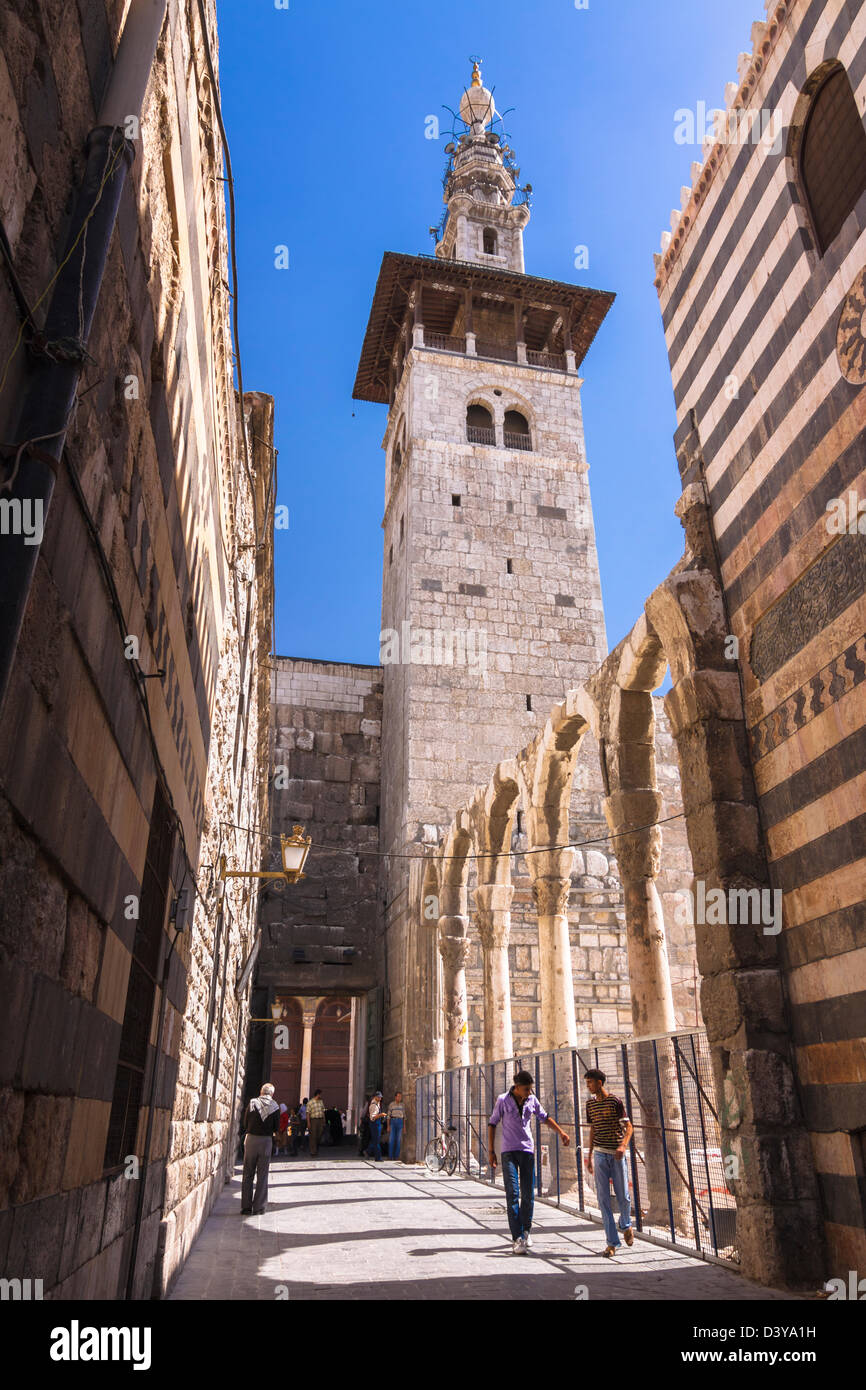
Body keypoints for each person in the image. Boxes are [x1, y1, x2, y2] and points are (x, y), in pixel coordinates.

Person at [488, 1069, 570, 1254]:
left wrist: (561, 1132)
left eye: (530, 1089)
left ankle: (526, 1230)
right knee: (512, 1193)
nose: (529, 1092)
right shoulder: (502, 1100)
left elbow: (545, 1117)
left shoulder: (532, 1100)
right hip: (508, 1152)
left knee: (528, 1194)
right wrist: (491, 1151)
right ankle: (516, 1237)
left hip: (527, 1151)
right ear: (516, 1087)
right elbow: (492, 1123)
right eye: (526, 1089)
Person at [584, 1067, 635, 1257]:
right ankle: (612, 1243)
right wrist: (589, 1155)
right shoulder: (590, 1105)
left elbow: (629, 1126)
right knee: (603, 1200)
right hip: (599, 1155)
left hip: (616, 1155)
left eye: (590, 1082)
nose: (588, 1085)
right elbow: (593, 1129)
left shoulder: (615, 1101)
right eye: (587, 1082)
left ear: (599, 1082)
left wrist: (623, 1146)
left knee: (623, 1197)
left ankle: (626, 1224)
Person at [241, 1082, 281, 1215]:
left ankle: (246, 1207)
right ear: (272, 1094)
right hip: (266, 1141)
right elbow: (276, 1127)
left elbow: (245, 1122)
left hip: (251, 1139)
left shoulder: (252, 1103)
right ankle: (259, 1207)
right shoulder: (275, 1106)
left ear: (261, 1092)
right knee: (262, 1175)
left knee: (247, 1173)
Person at [366, 1091, 385, 1160]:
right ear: (375, 1097)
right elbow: (372, 1117)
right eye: (378, 1097)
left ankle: (368, 1151)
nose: (380, 1098)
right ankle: (378, 1157)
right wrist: (381, 1115)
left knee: (375, 1139)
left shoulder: (377, 1103)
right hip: (375, 1124)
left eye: (380, 1097)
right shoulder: (374, 1105)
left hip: (377, 1123)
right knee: (376, 1141)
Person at [307, 1089, 326, 1156]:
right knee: (313, 1135)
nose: (321, 1096)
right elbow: (308, 1113)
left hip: (320, 1120)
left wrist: (324, 1120)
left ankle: (316, 1148)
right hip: (313, 1120)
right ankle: (313, 1151)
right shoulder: (310, 1102)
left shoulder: (321, 1102)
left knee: (319, 1135)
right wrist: (308, 1122)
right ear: (317, 1094)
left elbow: (323, 1111)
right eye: (320, 1094)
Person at [386, 1091, 404, 1160]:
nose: (399, 1098)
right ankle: (390, 1156)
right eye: (398, 1096)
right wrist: (388, 1126)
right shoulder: (391, 1105)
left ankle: (396, 1156)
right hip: (393, 1121)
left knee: (398, 1140)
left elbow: (404, 1116)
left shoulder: (402, 1105)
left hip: (400, 1122)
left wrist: (404, 1127)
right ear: (395, 1097)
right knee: (391, 1139)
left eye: (400, 1097)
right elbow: (388, 1116)